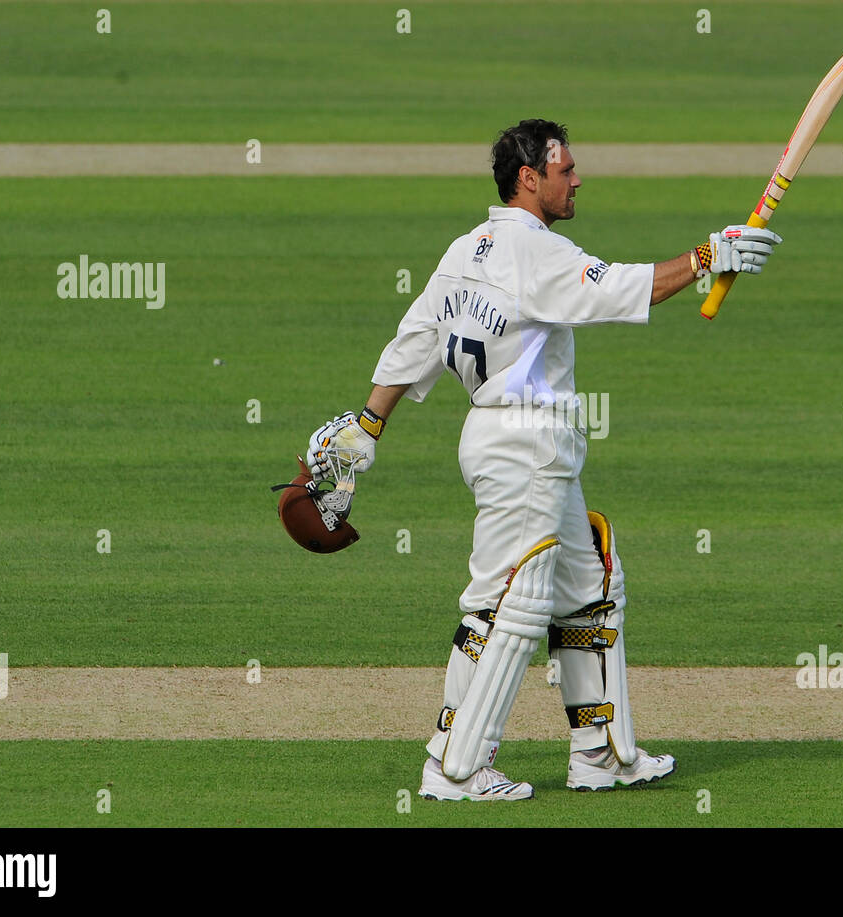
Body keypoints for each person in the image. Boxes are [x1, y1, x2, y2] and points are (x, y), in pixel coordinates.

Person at [306, 119, 780, 801]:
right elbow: (623, 288)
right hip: (526, 442)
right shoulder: (535, 250)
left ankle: (601, 753)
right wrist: (709, 255)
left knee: (592, 582)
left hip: (509, 440)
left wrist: (367, 427)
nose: (577, 178)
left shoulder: (466, 249)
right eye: (566, 169)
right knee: (508, 600)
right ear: (530, 178)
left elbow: (414, 341)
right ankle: (456, 763)